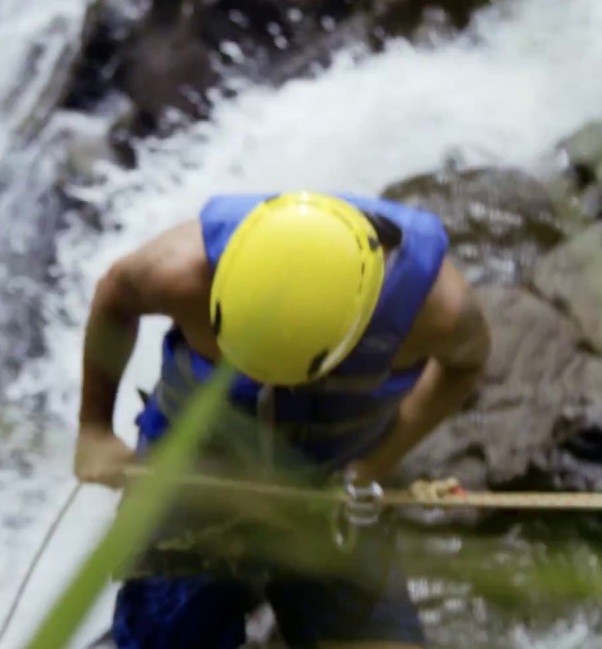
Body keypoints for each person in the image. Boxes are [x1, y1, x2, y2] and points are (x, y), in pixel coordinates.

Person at [73, 190, 491, 649]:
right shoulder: (179, 270)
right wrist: (94, 430)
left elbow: (466, 365)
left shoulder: (436, 310)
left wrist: (374, 464)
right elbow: (115, 296)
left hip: (329, 491)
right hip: (194, 480)